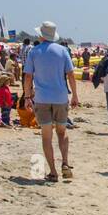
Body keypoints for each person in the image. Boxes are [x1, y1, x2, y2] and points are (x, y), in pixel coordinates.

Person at [21, 21, 81, 183]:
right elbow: (70, 75)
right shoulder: (62, 50)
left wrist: (27, 97)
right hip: (61, 97)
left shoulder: (34, 52)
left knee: (46, 136)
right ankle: (66, 164)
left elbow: (28, 76)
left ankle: (53, 172)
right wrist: (75, 95)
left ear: (41, 35)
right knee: (62, 132)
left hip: (42, 98)